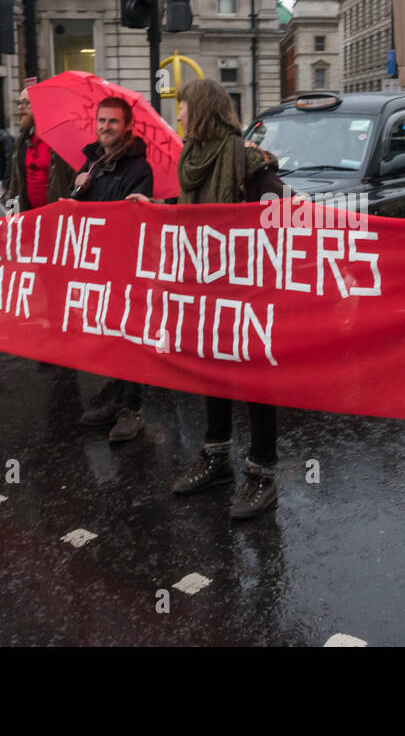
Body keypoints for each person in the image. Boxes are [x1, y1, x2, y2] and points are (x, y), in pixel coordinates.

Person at [133, 79, 286, 520]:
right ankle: (217, 458)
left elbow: (281, 214)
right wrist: (153, 208)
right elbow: (189, 214)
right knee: (213, 370)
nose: (177, 116)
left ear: (199, 111)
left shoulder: (247, 160)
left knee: (256, 379)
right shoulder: (192, 159)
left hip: (246, 288)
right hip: (205, 285)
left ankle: (262, 472)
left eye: (181, 108)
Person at [69, 96, 155, 441]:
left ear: (128, 126)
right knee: (111, 337)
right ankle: (116, 398)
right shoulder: (90, 164)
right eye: (102, 121)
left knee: (130, 337)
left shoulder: (140, 169)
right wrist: (77, 190)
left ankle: (132, 409)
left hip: (126, 269)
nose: (106, 127)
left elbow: (135, 221)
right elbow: (74, 210)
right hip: (96, 265)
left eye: (113, 122)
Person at [6, 88, 75, 211]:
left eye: (26, 102)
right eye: (19, 103)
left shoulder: (61, 140)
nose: (20, 107)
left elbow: (75, 181)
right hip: (29, 217)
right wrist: (10, 216)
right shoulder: (22, 140)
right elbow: (15, 183)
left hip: (57, 218)